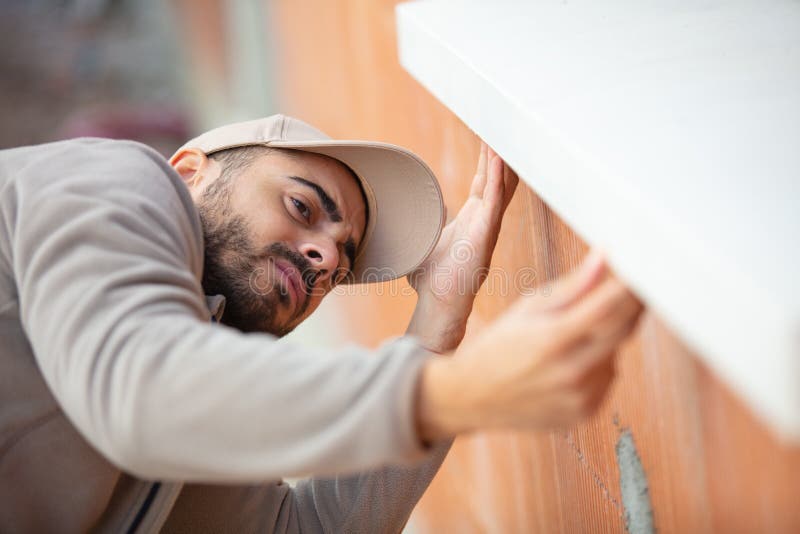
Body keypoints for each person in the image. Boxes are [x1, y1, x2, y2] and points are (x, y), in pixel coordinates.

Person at [0, 114, 643, 532]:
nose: (327, 257)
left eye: (344, 259)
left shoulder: (201, 414)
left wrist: (439, 322)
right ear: (191, 172)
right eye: (302, 205)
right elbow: (138, 383)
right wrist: (454, 392)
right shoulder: (111, 183)